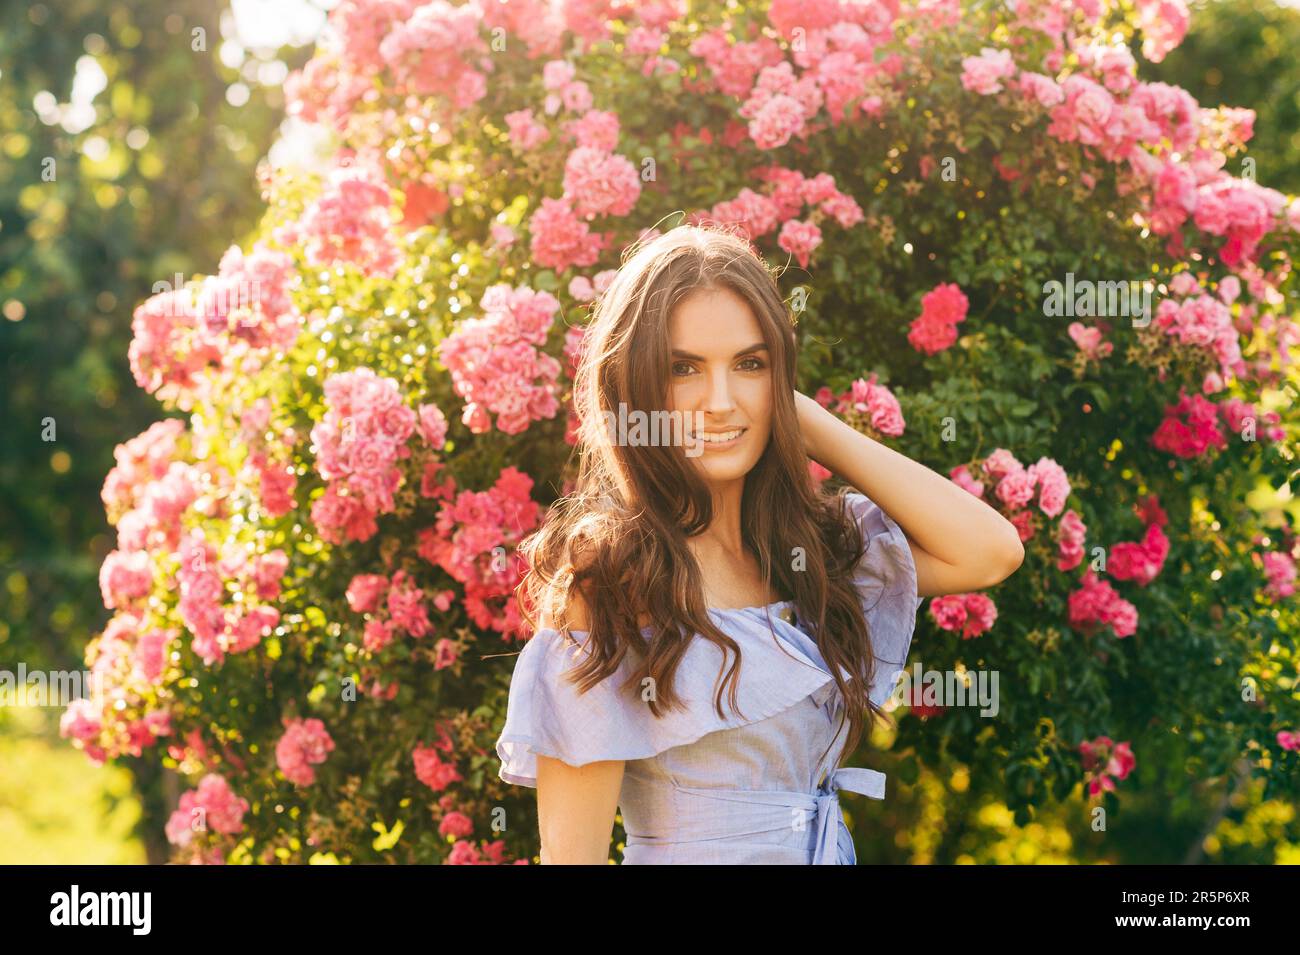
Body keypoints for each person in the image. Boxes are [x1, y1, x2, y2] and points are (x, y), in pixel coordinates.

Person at [495, 223, 1024, 864]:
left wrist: (813, 427)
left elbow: (991, 550)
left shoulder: (814, 554)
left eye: (750, 364)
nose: (720, 402)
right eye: (683, 368)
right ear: (633, 386)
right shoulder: (610, 584)